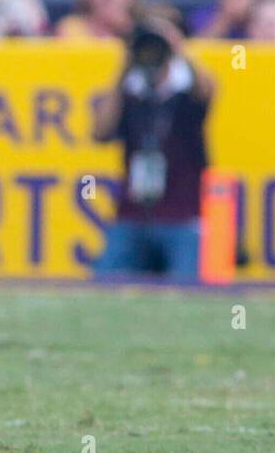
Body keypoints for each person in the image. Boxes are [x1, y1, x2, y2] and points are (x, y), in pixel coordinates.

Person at [92, 18, 215, 283]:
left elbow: (208, 89)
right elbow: (99, 131)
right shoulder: (130, 92)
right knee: (102, 283)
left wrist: (177, 46)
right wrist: (124, 66)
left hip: (183, 214)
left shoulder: (186, 90)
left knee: (188, 292)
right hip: (133, 213)